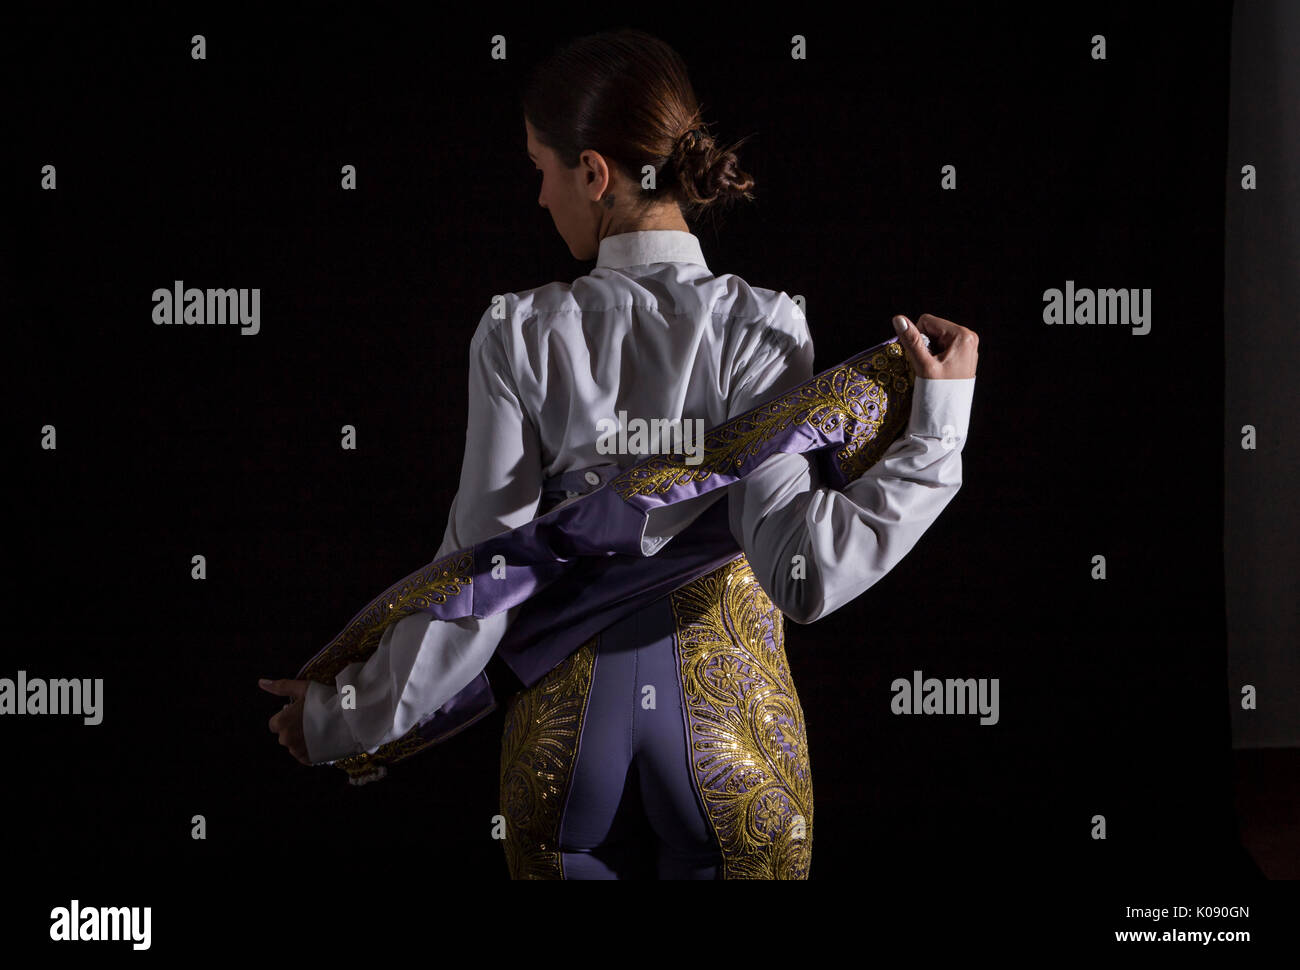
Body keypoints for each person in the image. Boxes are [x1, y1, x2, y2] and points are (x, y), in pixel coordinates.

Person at [262, 28, 978, 879]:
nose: (538, 197)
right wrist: (936, 427)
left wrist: (342, 717)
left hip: (563, 754)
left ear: (595, 173)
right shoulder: (763, 325)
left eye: (541, 167)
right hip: (736, 745)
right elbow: (804, 576)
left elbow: (483, 577)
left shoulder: (517, 332)